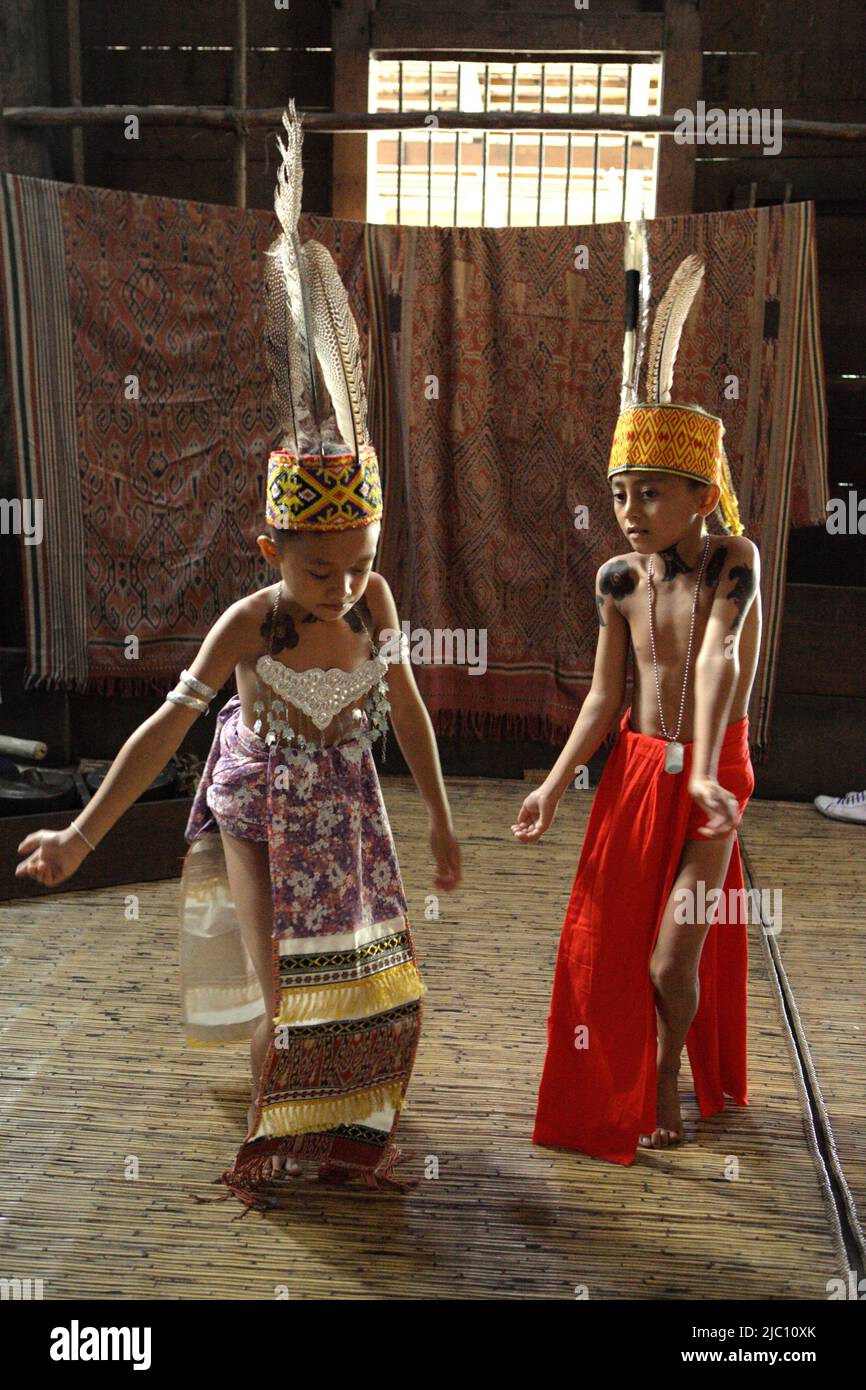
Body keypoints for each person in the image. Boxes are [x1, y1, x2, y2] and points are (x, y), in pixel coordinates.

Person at [15, 102, 462, 1213]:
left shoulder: (373, 604)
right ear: (271, 548)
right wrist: (78, 832)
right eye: (321, 569)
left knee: (381, 995)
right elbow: (164, 727)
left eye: (359, 561)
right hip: (258, 807)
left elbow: (403, 708)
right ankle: (274, 1155)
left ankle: (354, 1140)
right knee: (290, 995)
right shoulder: (250, 625)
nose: (345, 585)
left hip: (347, 807)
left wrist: (446, 819)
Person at [513, 232, 762, 1164]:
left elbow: (717, 662)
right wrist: (553, 780)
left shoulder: (737, 562)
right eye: (620, 491)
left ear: (702, 496)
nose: (629, 509)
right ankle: (619, 1077)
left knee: (670, 959)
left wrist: (701, 769)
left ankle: (664, 1078)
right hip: (634, 775)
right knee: (607, 950)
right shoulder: (618, 580)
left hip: (714, 777)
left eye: (650, 492)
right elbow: (605, 702)